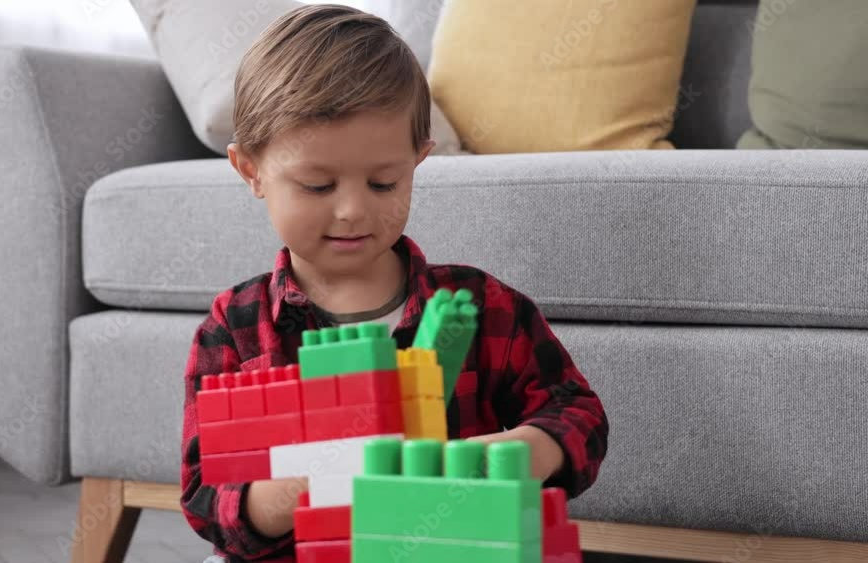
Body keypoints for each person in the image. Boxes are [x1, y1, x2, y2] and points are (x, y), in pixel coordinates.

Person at [180, 5, 609, 562]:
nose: (353, 210)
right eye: (316, 185)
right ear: (251, 171)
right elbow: (203, 494)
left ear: (418, 160)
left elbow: (577, 411)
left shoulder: (481, 305)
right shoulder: (234, 326)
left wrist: (530, 449)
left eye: (384, 183)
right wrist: (299, 489)